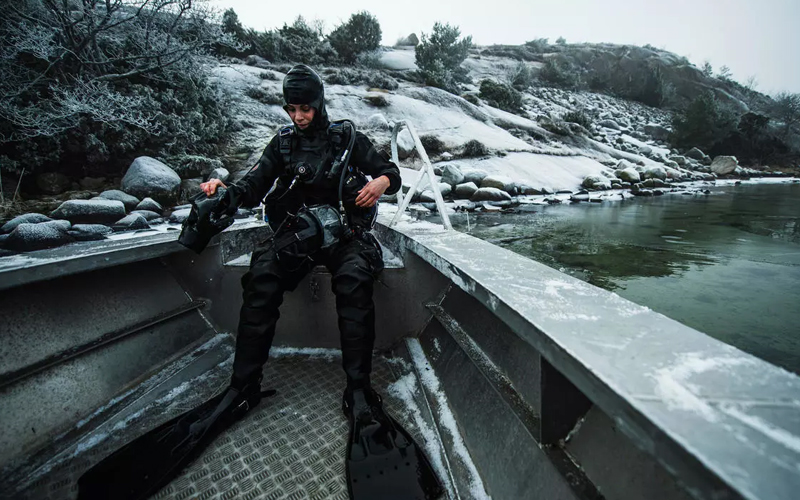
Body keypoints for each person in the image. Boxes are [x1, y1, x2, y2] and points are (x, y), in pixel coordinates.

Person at [199, 64, 401, 418]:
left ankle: (358, 389)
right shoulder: (284, 143)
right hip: (298, 236)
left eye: (305, 109)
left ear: (319, 104)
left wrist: (382, 182)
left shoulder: (347, 139)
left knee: (354, 278)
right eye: (291, 109)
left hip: (345, 236)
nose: (298, 117)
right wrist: (226, 191)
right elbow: (253, 186)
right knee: (262, 275)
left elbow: (391, 173)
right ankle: (244, 386)